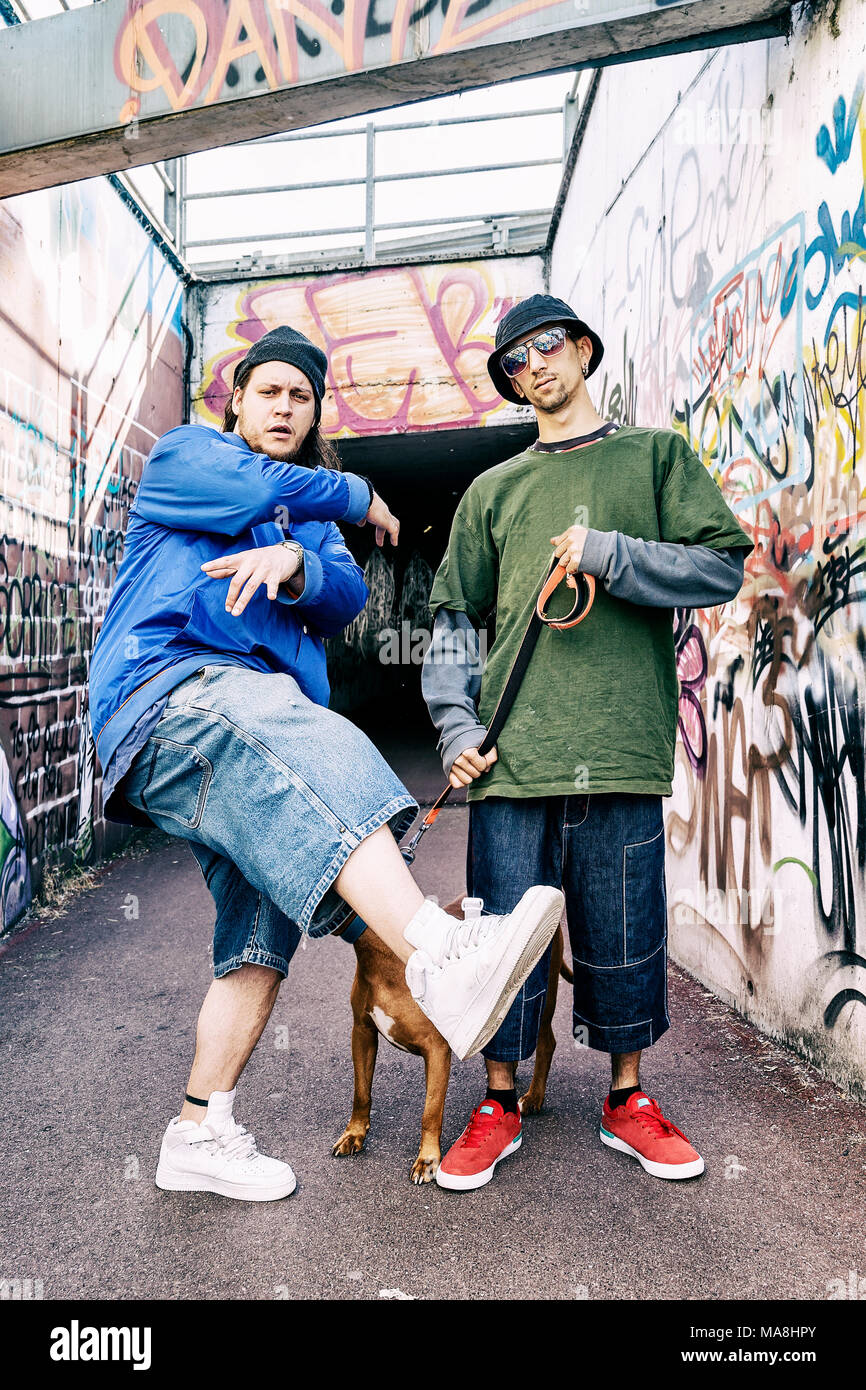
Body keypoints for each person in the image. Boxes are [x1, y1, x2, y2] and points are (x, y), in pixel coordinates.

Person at [88, 325, 564, 1203]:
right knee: (325, 742)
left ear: (314, 414)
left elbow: (344, 594)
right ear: (237, 402)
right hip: (173, 695)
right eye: (269, 391)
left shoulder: (306, 515)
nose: (284, 407)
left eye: (301, 397)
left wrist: (296, 556)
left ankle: (200, 1129)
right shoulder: (190, 455)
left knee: (258, 942)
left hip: (226, 747)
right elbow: (248, 485)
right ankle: (441, 953)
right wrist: (354, 490)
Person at [422, 294, 753, 1191]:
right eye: (515, 359)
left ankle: (627, 1099)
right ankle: (495, 1104)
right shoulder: (492, 492)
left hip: (619, 745)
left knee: (622, 934)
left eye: (547, 346)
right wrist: (455, 724)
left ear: (582, 349)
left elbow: (721, 561)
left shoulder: (655, 458)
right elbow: (452, 617)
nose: (533, 365)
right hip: (510, 760)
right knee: (502, 942)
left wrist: (614, 551)